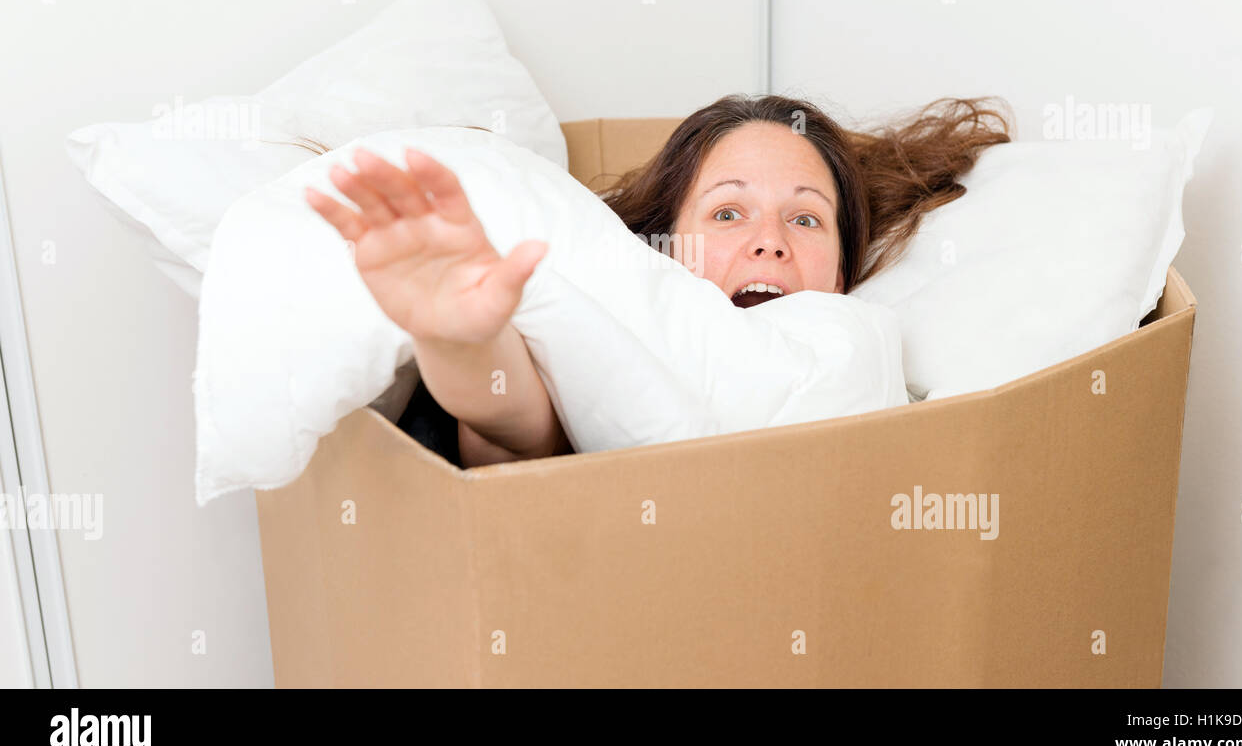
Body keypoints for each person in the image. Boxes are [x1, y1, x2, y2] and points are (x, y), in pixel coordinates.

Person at [304, 93, 1012, 468]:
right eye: (728, 211)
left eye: (805, 219)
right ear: (664, 247)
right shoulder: (627, 324)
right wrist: (458, 336)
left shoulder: (871, 347)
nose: (768, 240)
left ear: (841, 269)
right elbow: (514, 433)